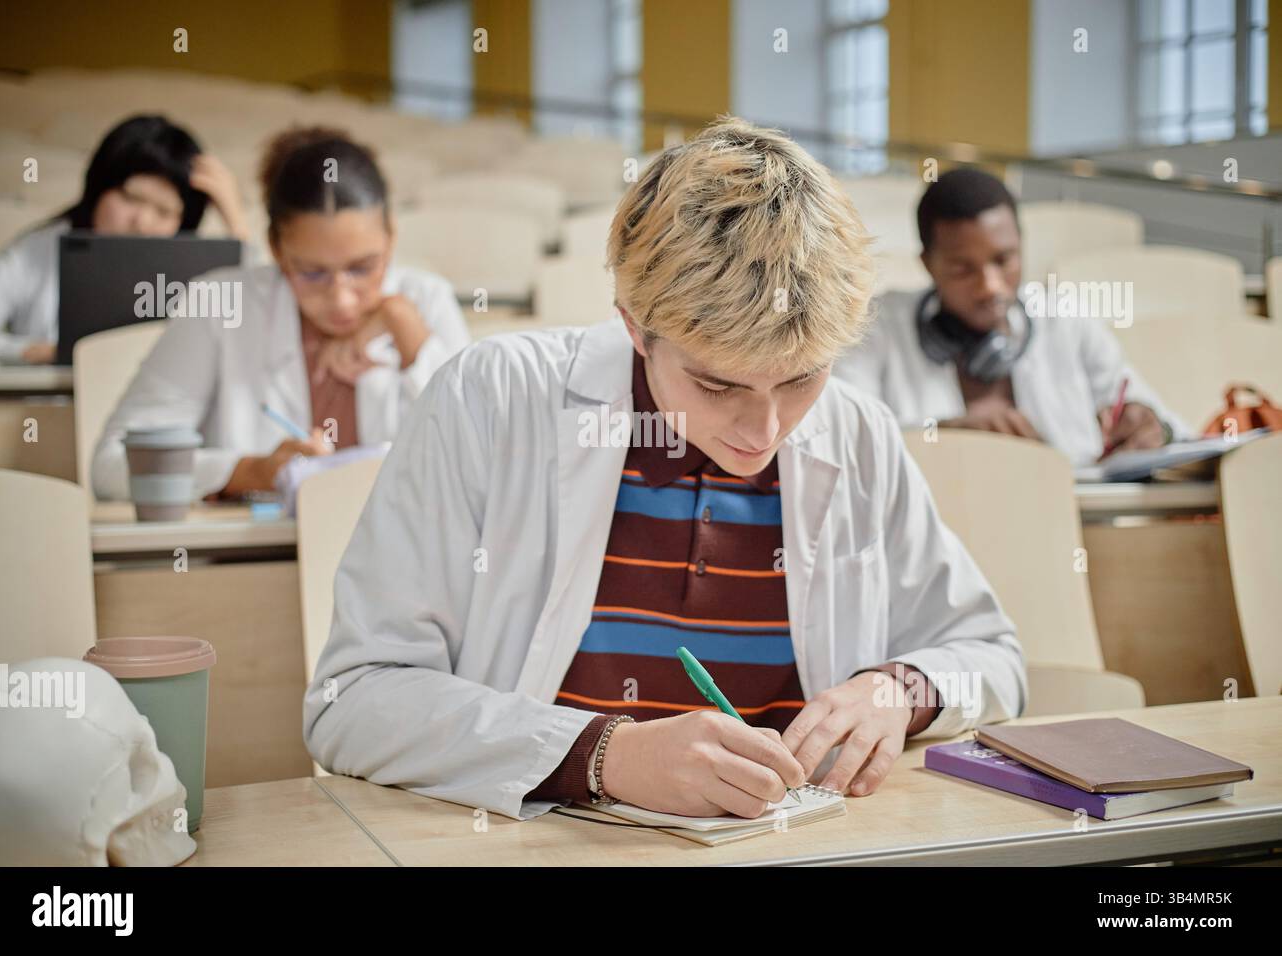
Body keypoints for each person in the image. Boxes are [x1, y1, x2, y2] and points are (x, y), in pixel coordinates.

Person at [304, 118, 1025, 822]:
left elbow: (993, 656)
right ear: (633, 326)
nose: (764, 431)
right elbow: (353, 702)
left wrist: (898, 689)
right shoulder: (491, 399)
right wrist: (604, 756)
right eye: (719, 385)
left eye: (802, 380)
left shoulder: (857, 430)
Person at [91, 126, 470, 500]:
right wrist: (252, 472)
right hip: (258, 557)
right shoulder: (220, 302)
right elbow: (112, 465)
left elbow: (482, 459)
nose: (342, 300)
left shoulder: (425, 300)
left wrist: (406, 329)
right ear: (275, 249)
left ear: (391, 237)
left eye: (362, 268)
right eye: (311, 272)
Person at [835, 168, 1187, 465]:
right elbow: (839, 435)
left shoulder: (1066, 322)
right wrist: (944, 437)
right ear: (927, 264)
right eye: (962, 269)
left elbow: (1176, 431)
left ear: (1022, 245)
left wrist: (1154, 427)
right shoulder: (876, 327)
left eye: (1004, 260)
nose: (990, 286)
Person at [0, 114, 248, 363]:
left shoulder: (195, 266)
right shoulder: (37, 250)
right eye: (131, 198)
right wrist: (32, 352)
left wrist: (236, 221)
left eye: (164, 211)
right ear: (99, 187)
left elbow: (252, 328)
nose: (142, 222)